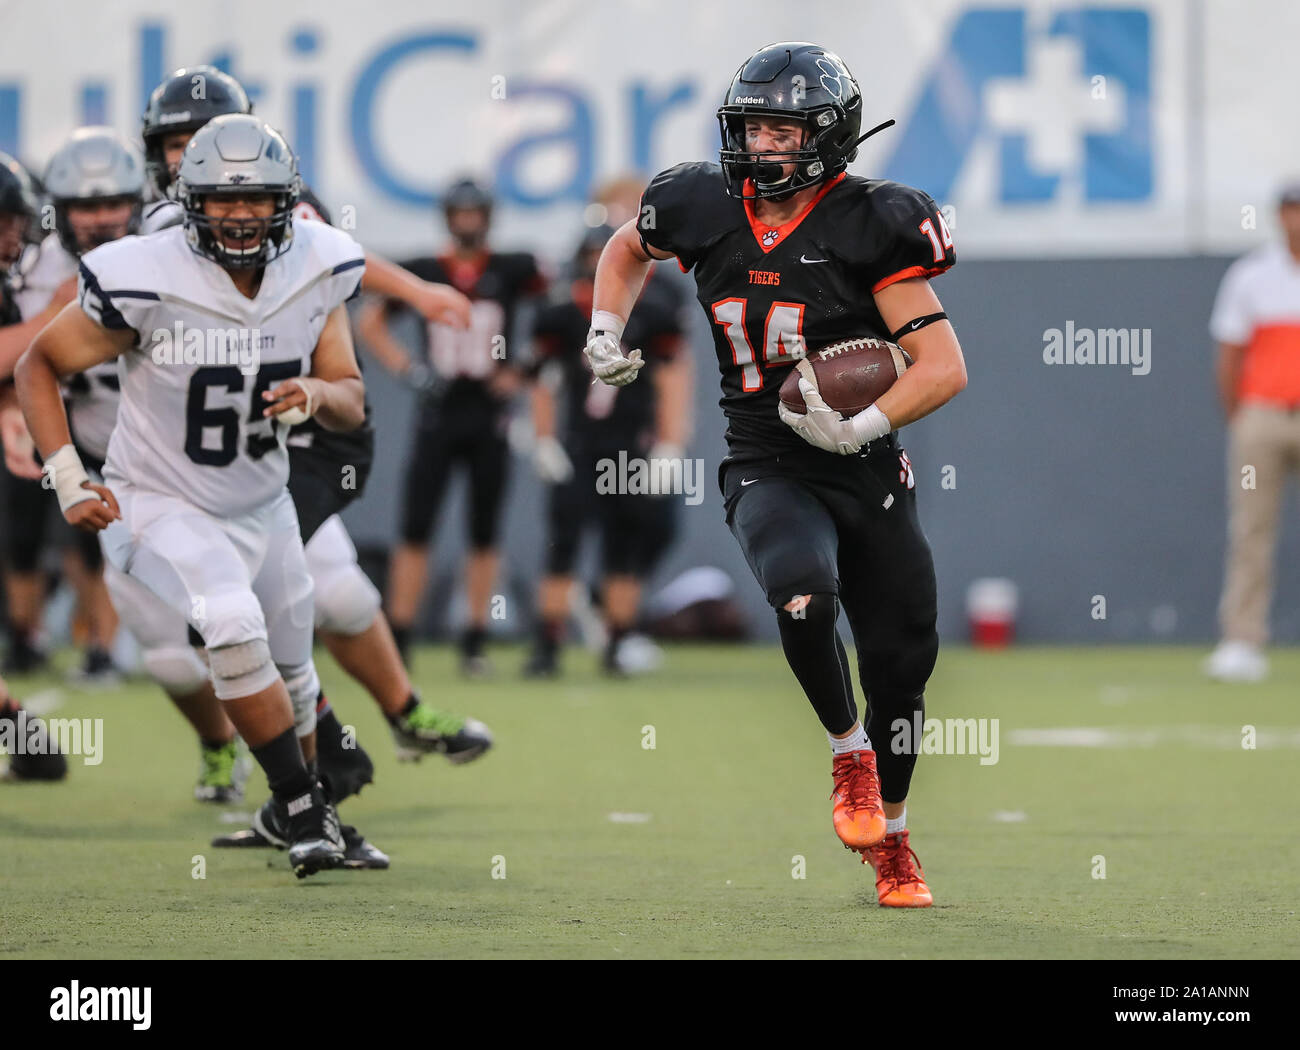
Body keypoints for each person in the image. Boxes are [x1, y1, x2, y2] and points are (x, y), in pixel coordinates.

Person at [585, 43, 966, 908]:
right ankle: (847, 754)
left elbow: (943, 367)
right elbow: (626, 247)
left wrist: (860, 425)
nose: (761, 145)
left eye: (782, 131)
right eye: (752, 127)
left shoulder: (874, 221)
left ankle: (895, 842)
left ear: (827, 137)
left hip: (865, 467)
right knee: (802, 593)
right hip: (765, 459)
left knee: (901, 671)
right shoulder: (699, 202)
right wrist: (605, 328)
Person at [16, 114, 370, 878]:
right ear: (189, 201)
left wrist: (316, 392)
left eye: (257, 198)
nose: (240, 215)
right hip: (158, 498)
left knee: (297, 677)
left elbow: (350, 395)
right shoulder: (147, 271)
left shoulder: (319, 264)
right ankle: (302, 810)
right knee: (229, 625)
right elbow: (37, 364)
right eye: (221, 199)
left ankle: (300, 810)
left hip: (263, 501)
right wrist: (69, 476)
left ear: (286, 200)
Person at [127, 66, 492, 804]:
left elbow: (335, 254)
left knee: (317, 599)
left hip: (290, 432)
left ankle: (369, 734)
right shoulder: (148, 235)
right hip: (199, 455)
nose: (193, 155)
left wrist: (416, 292)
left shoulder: (272, 206)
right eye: (177, 143)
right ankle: (314, 764)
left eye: (204, 138)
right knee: (230, 619)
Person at [357, 178, 545, 674]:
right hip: (438, 412)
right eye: (460, 213)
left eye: (474, 212)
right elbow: (369, 321)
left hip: (489, 413)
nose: (467, 221)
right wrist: (409, 370)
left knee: (484, 532)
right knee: (416, 528)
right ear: (447, 217)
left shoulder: (512, 268)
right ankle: (400, 639)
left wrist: (524, 368)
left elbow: (561, 311)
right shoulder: (426, 270)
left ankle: (474, 640)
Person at [524, 224, 690, 676]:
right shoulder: (561, 313)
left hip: (629, 446)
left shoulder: (653, 311)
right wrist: (544, 439)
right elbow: (542, 380)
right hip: (580, 444)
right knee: (563, 545)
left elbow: (671, 376)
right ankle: (548, 644)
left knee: (624, 549)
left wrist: (670, 442)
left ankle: (617, 642)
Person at [1205, 182, 1300, 683]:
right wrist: (1241, 417)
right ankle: (1242, 639)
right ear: (1279, 216)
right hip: (1262, 416)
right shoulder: (1251, 275)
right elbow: (1230, 355)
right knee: (1251, 530)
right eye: (1291, 210)